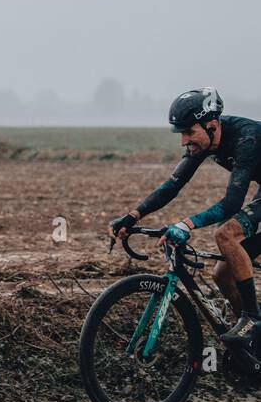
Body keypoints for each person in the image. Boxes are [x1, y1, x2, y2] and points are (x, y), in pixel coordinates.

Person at [109, 88, 261, 352]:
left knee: (226, 235)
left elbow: (232, 203)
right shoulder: (206, 140)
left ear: (212, 125)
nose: (183, 141)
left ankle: (253, 320)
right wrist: (133, 216)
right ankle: (253, 346)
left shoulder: (247, 139)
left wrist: (186, 224)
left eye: (188, 132)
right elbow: (173, 185)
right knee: (223, 275)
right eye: (181, 133)